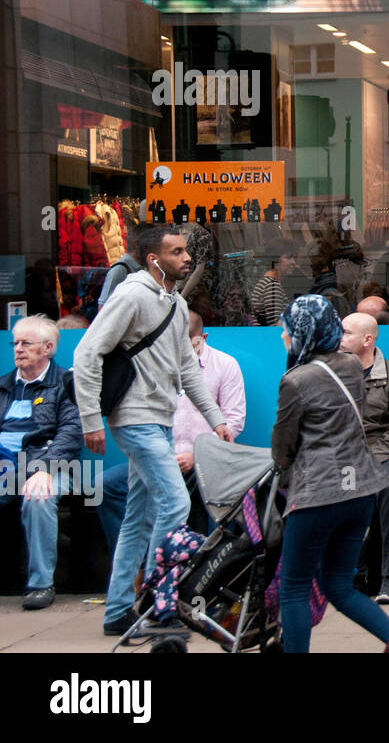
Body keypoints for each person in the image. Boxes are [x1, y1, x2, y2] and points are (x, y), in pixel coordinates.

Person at [73, 226, 232, 637]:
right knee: (175, 503)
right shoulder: (131, 295)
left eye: (185, 251)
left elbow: (185, 370)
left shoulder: (175, 304)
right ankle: (156, 602)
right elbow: (87, 352)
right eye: (176, 252)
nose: (185, 258)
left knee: (137, 520)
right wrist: (91, 419)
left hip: (157, 419)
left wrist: (216, 420)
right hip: (134, 417)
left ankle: (118, 613)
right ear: (153, 259)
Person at [272, 295, 389, 653]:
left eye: (286, 332)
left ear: (303, 334)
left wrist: (283, 470)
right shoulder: (349, 367)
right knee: (339, 587)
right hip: (359, 490)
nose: (283, 338)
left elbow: (283, 447)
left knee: (294, 587)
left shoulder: (295, 380)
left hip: (317, 494)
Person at [98, 310, 245, 551]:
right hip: (161, 456)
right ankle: (136, 563)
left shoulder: (225, 365)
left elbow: (234, 421)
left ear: (204, 338)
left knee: (225, 497)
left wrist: (197, 456)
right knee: (105, 485)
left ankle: (204, 566)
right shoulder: (154, 365)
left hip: (209, 462)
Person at [0, 315, 82, 610]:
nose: (18, 349)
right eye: (15, 343)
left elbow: (72, 434)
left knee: (38, 496)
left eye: (26, 343)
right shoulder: (3, 387)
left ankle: (40, 584)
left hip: (51, 465)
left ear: (48, 348)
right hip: (4, 468)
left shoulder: (64, 385)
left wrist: (43, 468)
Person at [339, 311, 389, 604]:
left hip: (385, 453)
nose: (340, 338)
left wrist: (371, 457)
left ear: (367, 340)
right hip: (345, 455)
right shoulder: (333, 374)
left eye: (346, 332)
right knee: (343, 492)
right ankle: (350, 577)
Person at [252, 239, 296, 326]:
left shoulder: (268, 283)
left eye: (294, 258)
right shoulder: (272, 286)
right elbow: (275, 325)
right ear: (275, 261)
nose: (293, 262)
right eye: (288, 257)